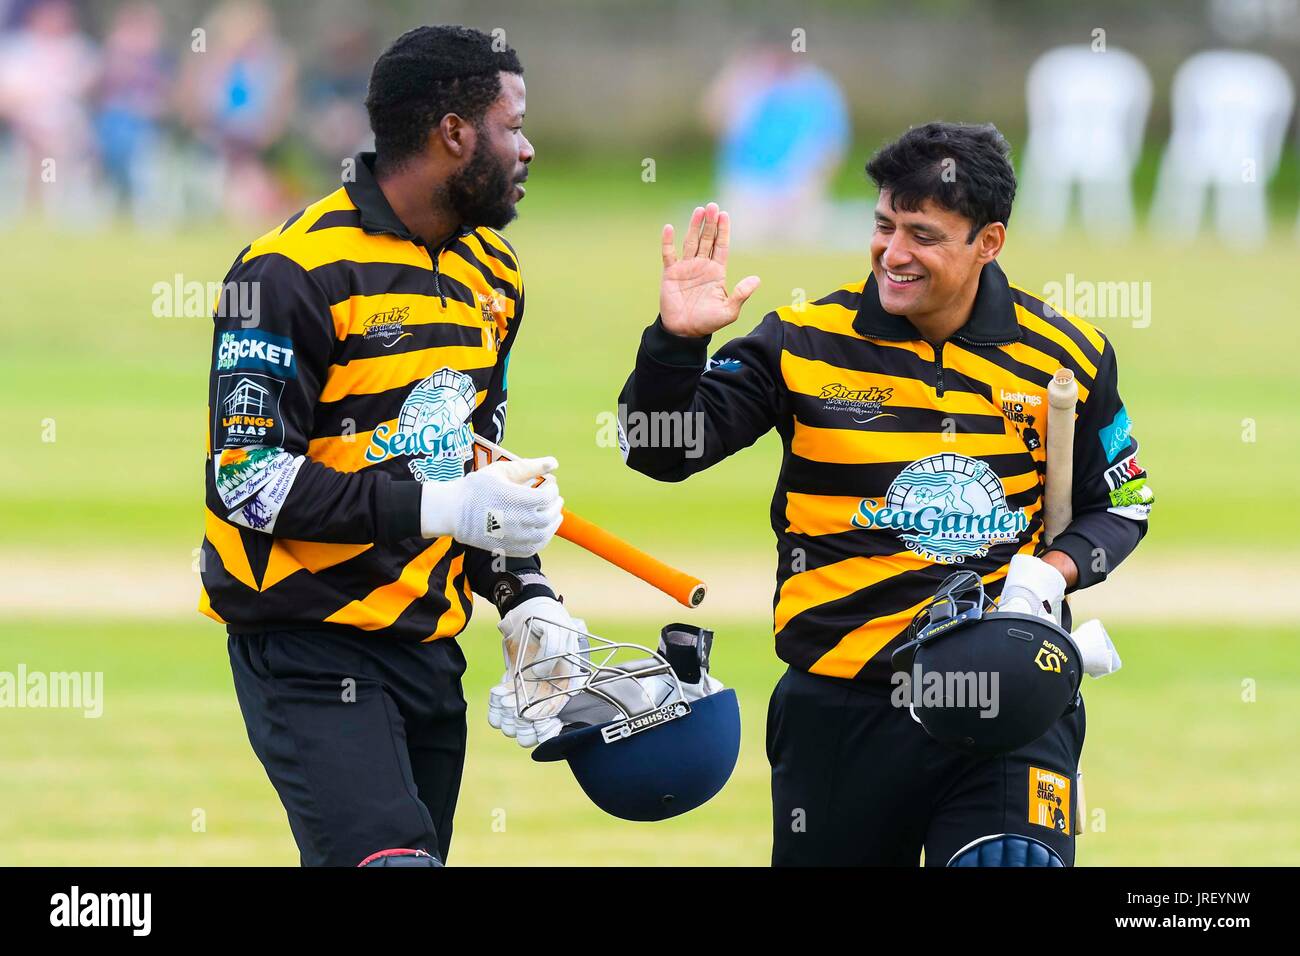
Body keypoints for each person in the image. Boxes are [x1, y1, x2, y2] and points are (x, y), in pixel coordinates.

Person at [617, 122, 1153, 866]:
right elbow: (659, 451)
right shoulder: (801, 340)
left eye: (924, 235)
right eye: (883, 225)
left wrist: (1049, 575)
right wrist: (675, 345)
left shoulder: (1066, 353)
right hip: (842, 704)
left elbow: (1123, 504)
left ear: (988, 242)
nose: (892, 254)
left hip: (1009, 698)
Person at [199, 25, 583, 867]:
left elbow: (467, 461)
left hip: (426, 644)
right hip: (306, 639)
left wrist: (522, 590)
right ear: (454, 133)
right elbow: (249, 484)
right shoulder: (288, 272)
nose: (528, 148)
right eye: (512, 126)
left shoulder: (495, 273)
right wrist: (451, 506)